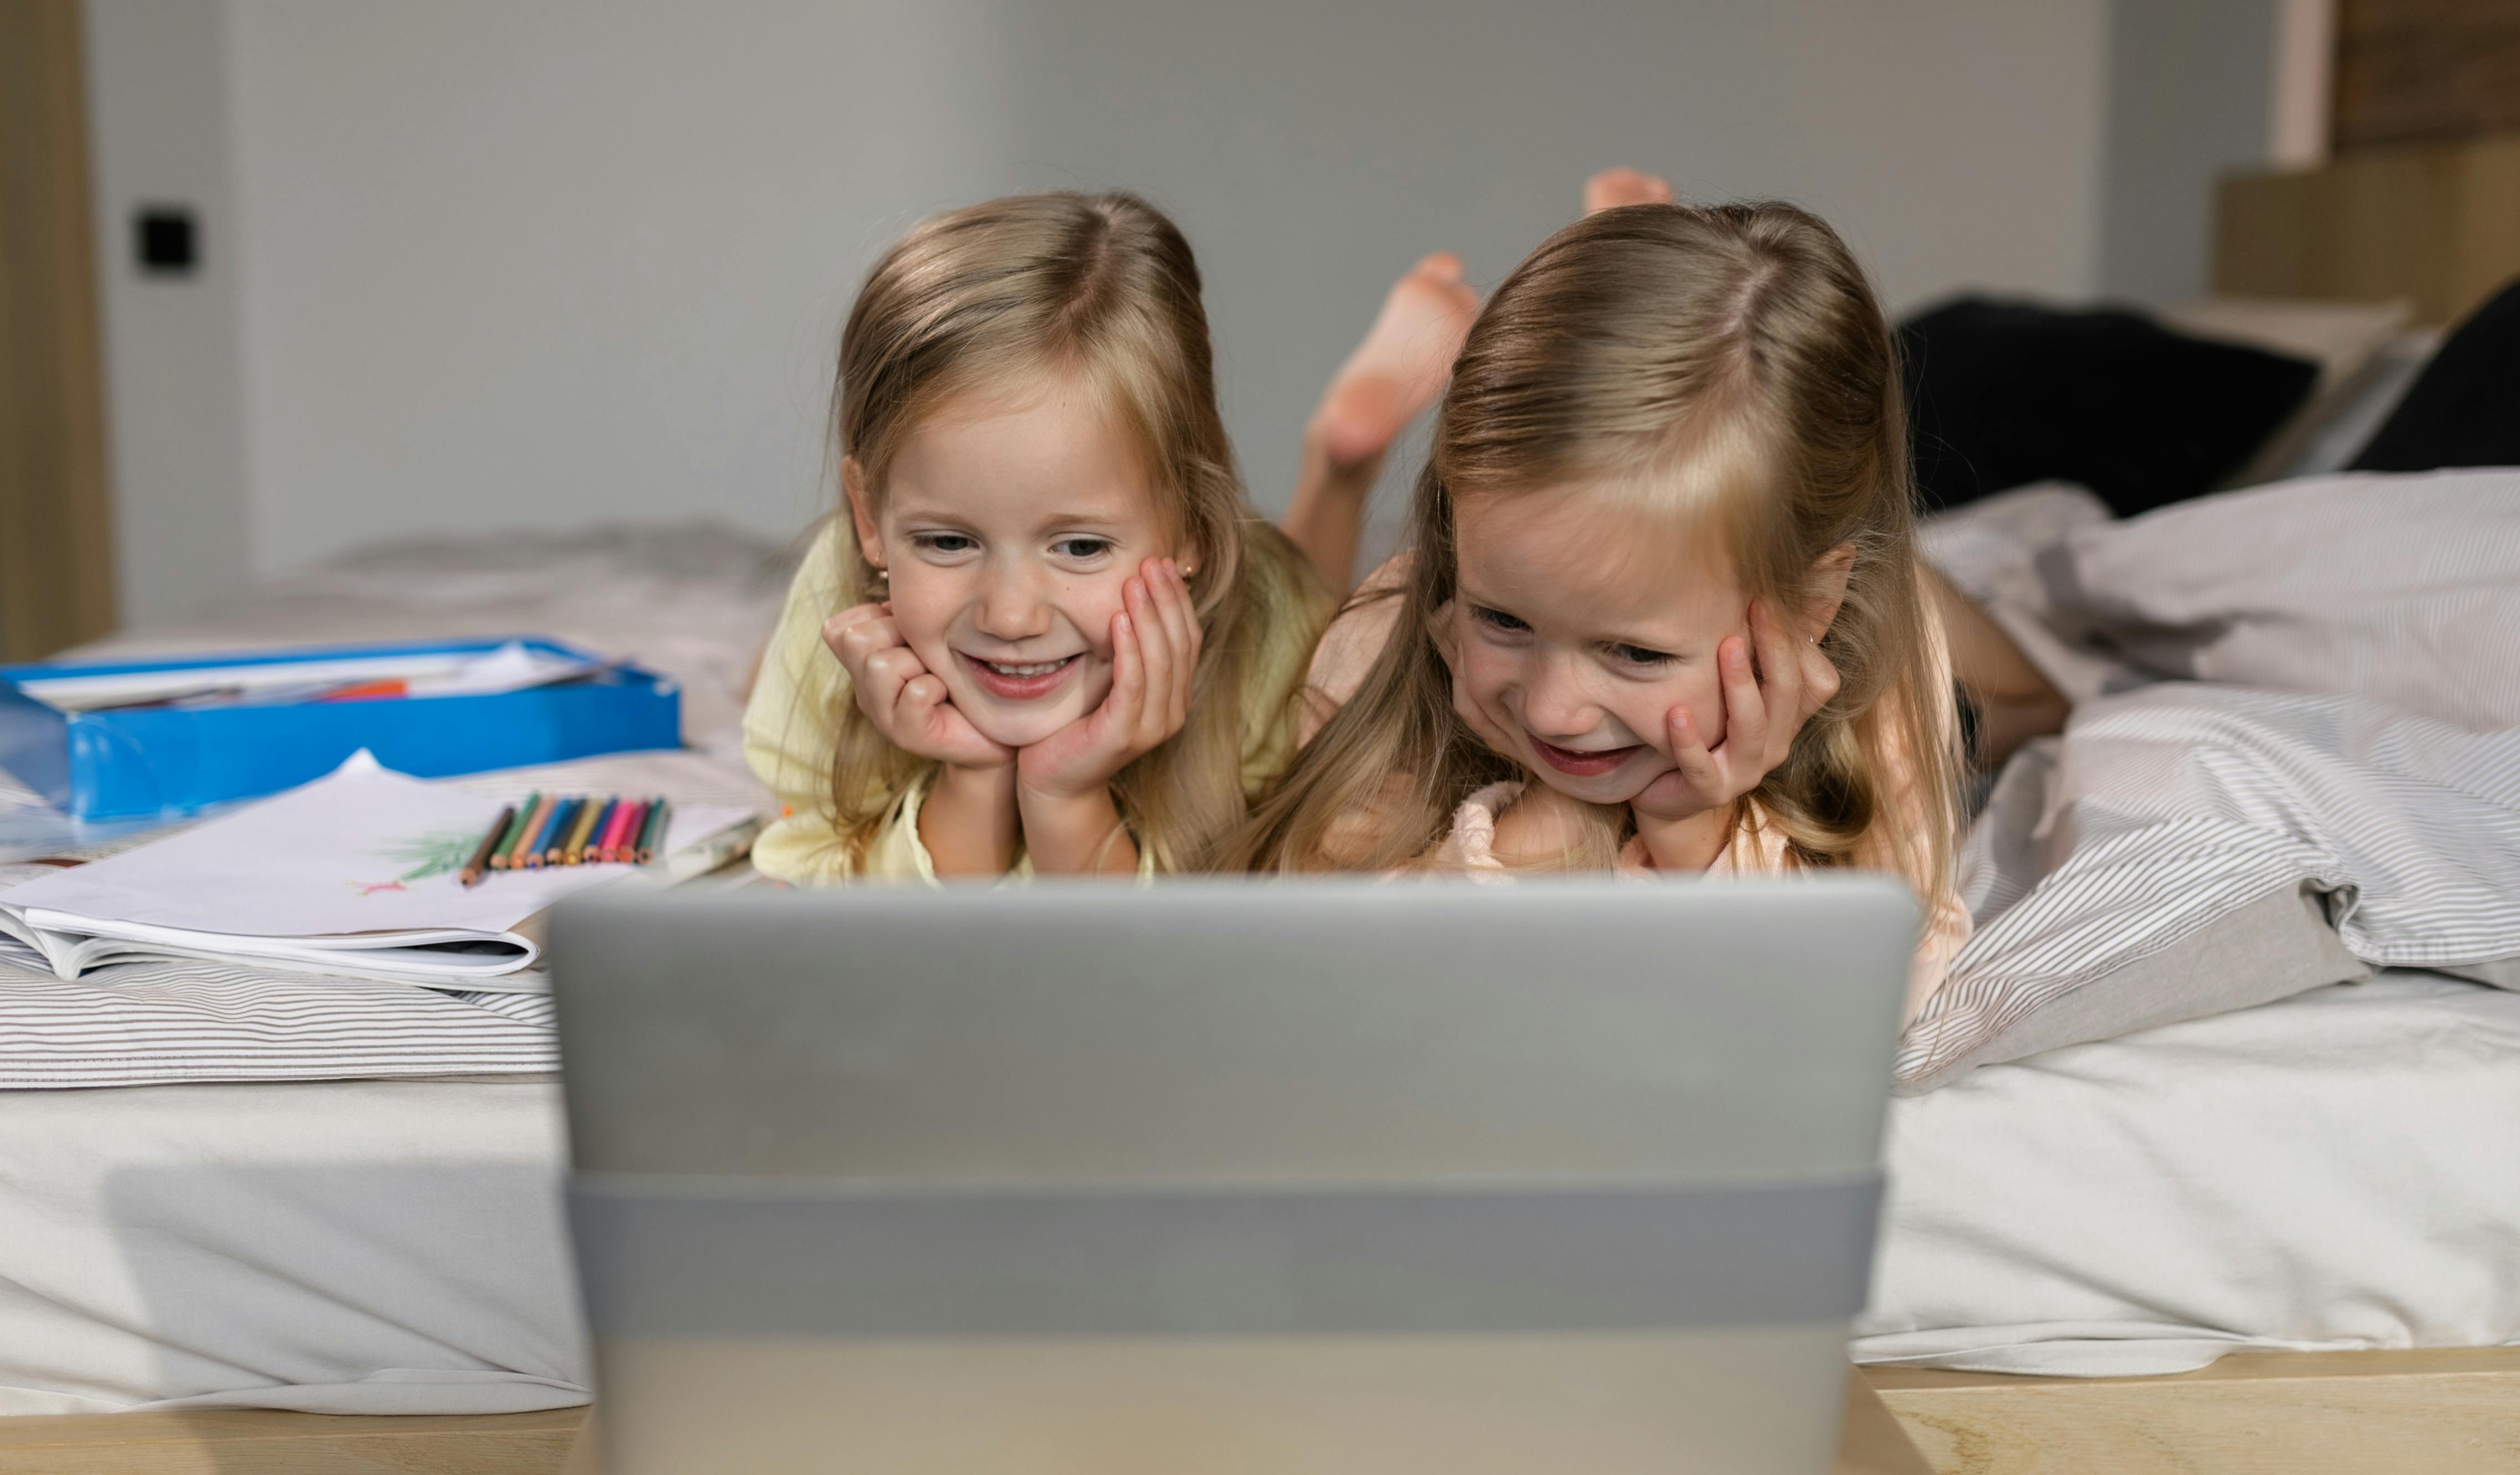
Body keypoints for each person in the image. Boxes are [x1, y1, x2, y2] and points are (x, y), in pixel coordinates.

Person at [1226, 196, 2028, 1020]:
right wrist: (1555, 818)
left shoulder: (1877, 687)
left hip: (1882, 647)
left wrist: (1694, 830)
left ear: (1808, 607)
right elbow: (1339, 981)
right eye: (1503, 619)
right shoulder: (1397, 629)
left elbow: (1853, 1009)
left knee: (2016, 702)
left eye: (1634, 652)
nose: (1551, 709)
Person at [742, 189, 1466, 884]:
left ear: (1193, 525)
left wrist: (1064, 794)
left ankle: (1339, 468)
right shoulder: (839, 608)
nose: (1011, 617)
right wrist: (975, 777)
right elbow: (831, 907)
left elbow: (1160, 967)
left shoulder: (1269, 667)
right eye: (947, 542)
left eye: (1080, 548)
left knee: (1325, 616)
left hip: (1267, 603)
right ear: (869, 520)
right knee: (756, 682)